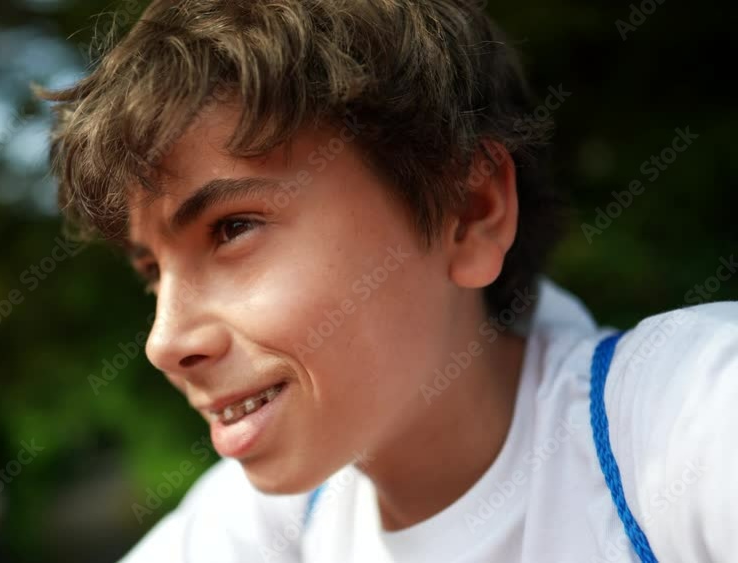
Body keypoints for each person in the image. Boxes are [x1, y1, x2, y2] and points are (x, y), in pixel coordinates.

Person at [36, 1, 738, 560]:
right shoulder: (272, 525)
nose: (164, 341)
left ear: (470, 211)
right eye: (153, 271)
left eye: (232, 228)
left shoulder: (678, 426)